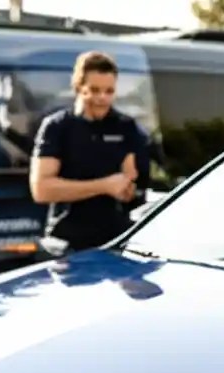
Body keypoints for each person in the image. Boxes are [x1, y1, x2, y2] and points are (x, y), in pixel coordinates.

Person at [29, 50, 151, 255]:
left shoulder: (125, 127)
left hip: (115, 240)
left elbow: (130, 181)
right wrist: (104, 186)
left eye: (109, 91)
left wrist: (127, 189)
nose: (102, 98)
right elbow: (41, 189)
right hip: (67, 240)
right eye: (94, 90)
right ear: (79, 87)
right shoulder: (58, 126)